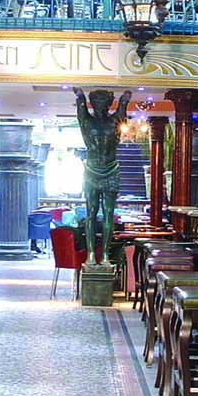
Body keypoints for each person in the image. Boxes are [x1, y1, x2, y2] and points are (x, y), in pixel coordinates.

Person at [73, 88, 130, 266]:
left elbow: (122, 110)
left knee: (108, 214)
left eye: (104, 104)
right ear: (92, 104)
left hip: (111, 169)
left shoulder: (115, 121)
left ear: (108, 105)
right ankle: (91, 254)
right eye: (96, 104)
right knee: (91, 213)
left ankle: (104, 254)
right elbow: (81, 111)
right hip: (91, 170)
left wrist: (124, 100)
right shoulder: (87, 122)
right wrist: (80, 97)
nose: (100, 107)